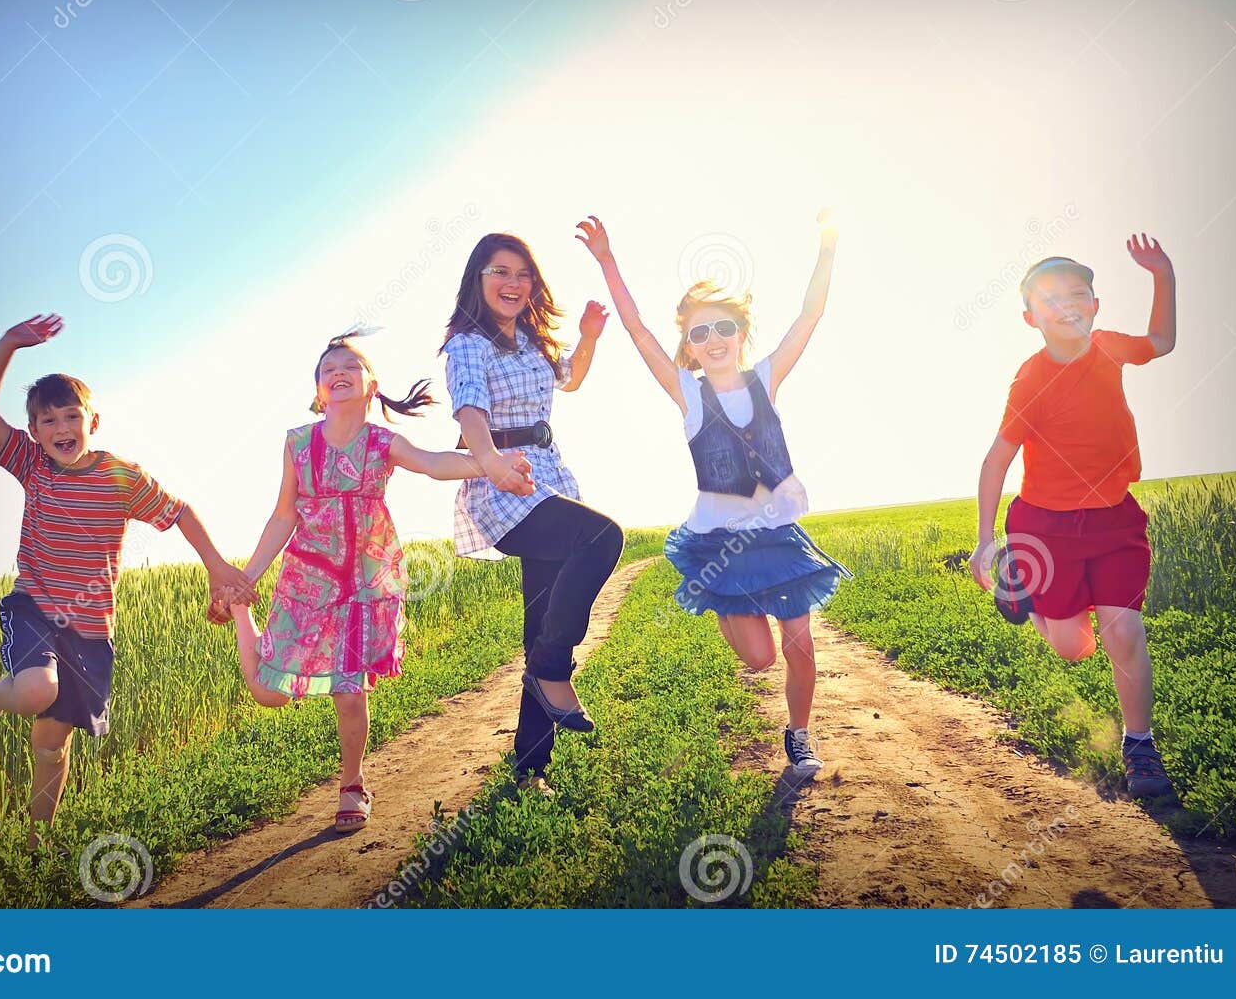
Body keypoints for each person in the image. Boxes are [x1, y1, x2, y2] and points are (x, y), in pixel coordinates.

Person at [0, 313, 255, 853]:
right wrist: (8, 345)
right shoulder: (30, 463)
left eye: (71, 416)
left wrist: (216, 566)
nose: (62, 428)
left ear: (93, 420)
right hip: (35, 609)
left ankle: (39, 842)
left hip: (90, 628)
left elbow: (178, 512)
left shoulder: (119, 476)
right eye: (48, 421)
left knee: (51, 744)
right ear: (35, 432)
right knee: (39, 688)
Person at [208, 329, 533, 831]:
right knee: (266, 692)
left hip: (365, 581)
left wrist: (488, 465)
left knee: (347, 689)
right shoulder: (298, 444)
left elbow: (431, 464)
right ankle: (241, 614)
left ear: (371, 385)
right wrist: (245, 580)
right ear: (318, 391)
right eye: (327, 369)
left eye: (349, 366)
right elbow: (282, 517)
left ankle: (352, 784)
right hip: (307, 578)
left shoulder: (382, 442)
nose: (338, 372)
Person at [579, 214, 852, 780]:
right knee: (759, 658)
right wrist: (608, 260)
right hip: (720, 546)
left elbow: (810, 315)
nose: (713, 340)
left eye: (722, 327)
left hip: (777, 537)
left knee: (801, 648)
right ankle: (725, 603)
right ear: (689, 347)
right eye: (699, 333)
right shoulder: (689, 395)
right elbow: (636, 331)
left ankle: (799, 735)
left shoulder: (767, 378)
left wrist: (826, 245)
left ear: (741, 332)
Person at [969, 236, 1178, 799]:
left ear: (1095, 304)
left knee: (1124, 632)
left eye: (1078, 293)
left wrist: (1163, 274)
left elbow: (1162, 340)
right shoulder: (1031, 380)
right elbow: (996, 461)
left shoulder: (1109, 348)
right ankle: (1026, 585)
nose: (1067, 304)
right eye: (1051, 298)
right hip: (1046, 530)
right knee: (1074, 648)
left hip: (1114, 523)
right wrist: (986, 541)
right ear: (1030, 317)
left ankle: (1139, 746)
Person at [442, 231, 622, 796]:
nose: (512, 283)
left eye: (521, 274)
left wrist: (588, 337)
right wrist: (489, 460)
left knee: (539, 617)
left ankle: (529, 766)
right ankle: (552, 668)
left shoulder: (532, 342)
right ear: (479, 279)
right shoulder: (467, 343)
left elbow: (570, 377)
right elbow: (469, 406)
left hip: (548, 476)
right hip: (504, 481)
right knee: (602, 539)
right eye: (499, 272)